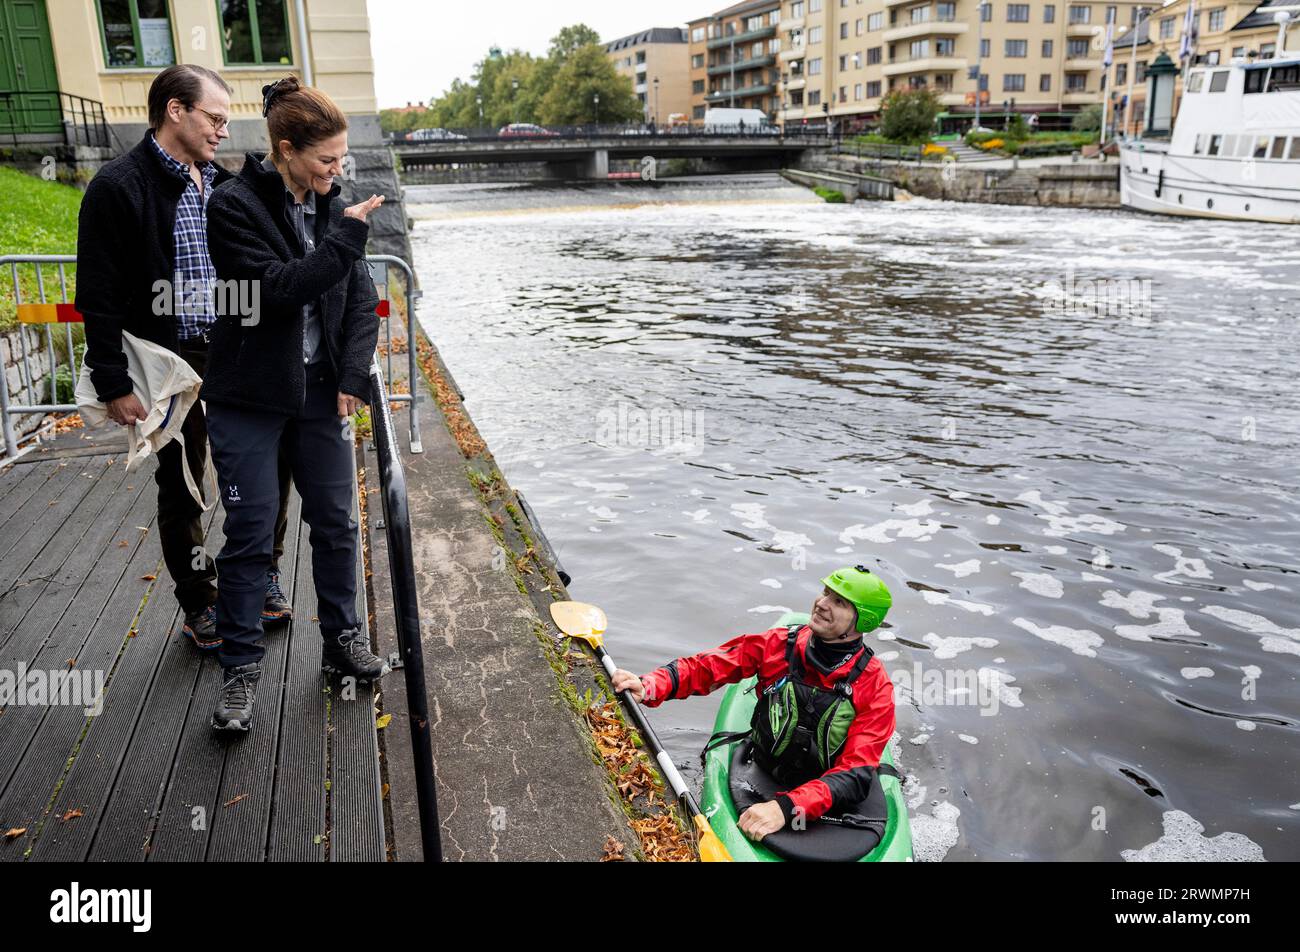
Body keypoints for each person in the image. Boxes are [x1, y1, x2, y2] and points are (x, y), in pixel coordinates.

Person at [76, 64, 294, 653]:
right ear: (177, 110)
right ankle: (200, 602)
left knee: (268, 469)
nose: (224, 131)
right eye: (215, 118)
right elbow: (96, 295)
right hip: (168, 363)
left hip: (235, 355)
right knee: (182, 485)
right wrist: (113, 381)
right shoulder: (118, 186)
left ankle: (262, 575)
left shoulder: (224, 185)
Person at [202, 77, 388, 732]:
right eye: (326, 161)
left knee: (337, 523)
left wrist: (352, 377)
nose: (337, 172)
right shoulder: (232, 206)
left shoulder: (333, 205)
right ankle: (240, 673)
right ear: (285, 148)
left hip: (318, 395)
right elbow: (275, 290)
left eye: (340, 161)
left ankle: (342, 644)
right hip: (248, 397)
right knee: (250, 536)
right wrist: (345, 239)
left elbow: (359, 301)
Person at [612, 566, 896, 841]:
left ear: (863, 620)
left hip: (831, 792)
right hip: (765, 768)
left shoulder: (875, 685)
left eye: (839, 602)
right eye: (824, 593)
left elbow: (854, 773)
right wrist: (651, 685)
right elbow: (709, 667)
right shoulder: (779, 645)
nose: (821, 604)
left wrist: (786, 808)